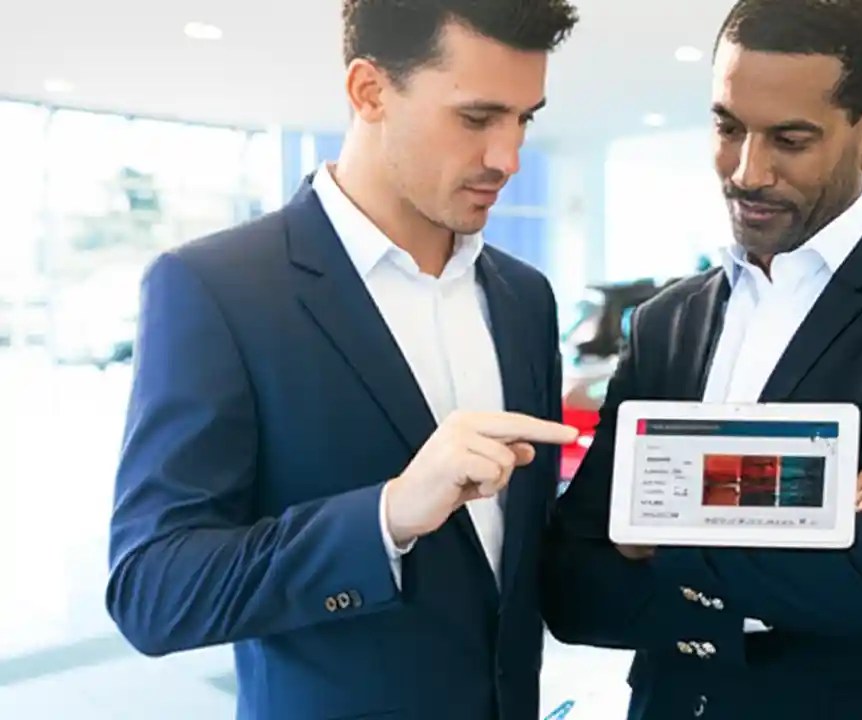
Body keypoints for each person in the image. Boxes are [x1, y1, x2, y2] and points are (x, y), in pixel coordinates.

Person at [541, 0, 862, 718]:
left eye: (790, 140)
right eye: (727, 127)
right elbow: (574, 590)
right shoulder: (667, 322)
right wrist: (813, 512)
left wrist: (660, 531)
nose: (747, 171)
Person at [106, 1, 581, 718]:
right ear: (369, 91)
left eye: (525, 119)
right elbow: (154, 591)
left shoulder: (525, 297)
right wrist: (387, 516)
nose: (507, 158)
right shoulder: (219, 288)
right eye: (477, 119)